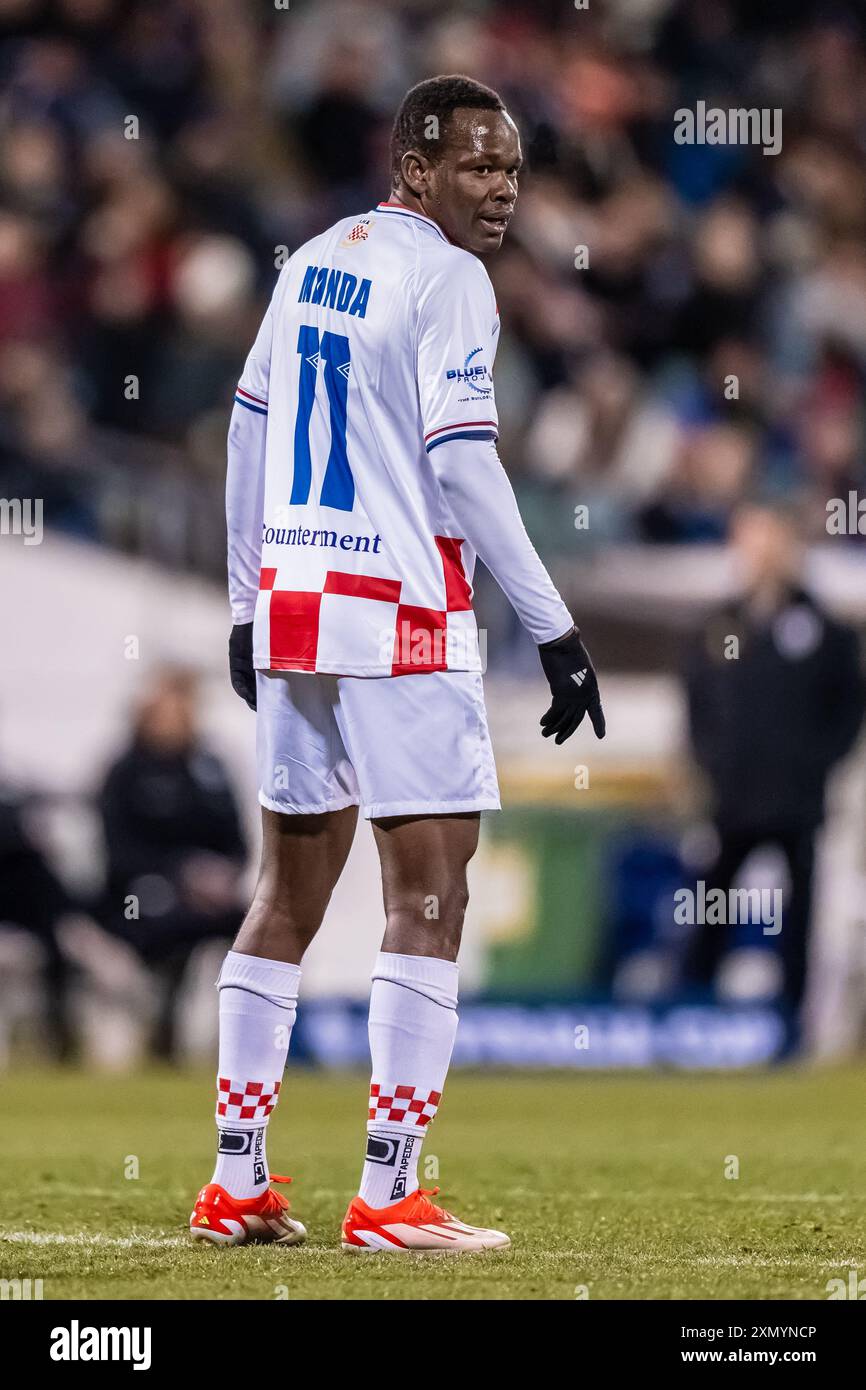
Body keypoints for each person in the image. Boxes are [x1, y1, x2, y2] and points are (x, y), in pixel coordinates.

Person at [190, 75, 605, 1254]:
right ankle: (388, 1190)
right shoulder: (449, 279)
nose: (500, 191)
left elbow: (249, 429)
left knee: (287, 893)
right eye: (476, 167)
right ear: (413, 167)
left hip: (298, 603)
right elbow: (464, 464)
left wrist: (243, 600)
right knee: (430, 892)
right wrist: (554, 624)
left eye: (512, 170)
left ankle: (237, 1178)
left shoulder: (312, 257)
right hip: (399, 610)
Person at [682, 502, 864, 1016]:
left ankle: (789, 1019)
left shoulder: (825, 629)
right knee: (712, 906)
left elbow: (848, 709)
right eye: (750, 539)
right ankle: (692, 1009)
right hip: (732, 797)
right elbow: (698, 705)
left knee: (798, 911)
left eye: (770, 539)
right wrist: (712, 764)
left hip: (797, 798)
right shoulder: (719, 626)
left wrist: (816, 763)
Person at [99, 667, 247, 1059]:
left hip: (207, 895)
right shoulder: (125, 771)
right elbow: (117, 852)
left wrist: (221, 874)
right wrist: (182, 873)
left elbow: (237, 842)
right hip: (142, 890)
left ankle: (242, 1037)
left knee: (256, 925)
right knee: (169, 920)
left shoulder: (209, 770)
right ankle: (164, 1029)